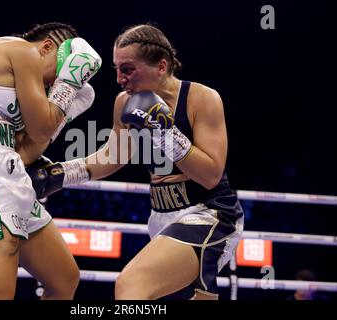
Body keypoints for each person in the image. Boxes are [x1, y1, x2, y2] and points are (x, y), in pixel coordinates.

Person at [26, 23, 244, 300]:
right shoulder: (124, 102)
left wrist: (164, 131)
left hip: (211, 214)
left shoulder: (202, 99)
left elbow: (211, 175)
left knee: (132, 286)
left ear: (162, 67)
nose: (119, 78)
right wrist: (62, 173)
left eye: (127, 69)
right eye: (116, 68)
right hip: (161, 216)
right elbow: (113, 156)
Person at [0, 22, 102, 299]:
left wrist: (62, 111)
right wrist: (70, 83)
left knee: (64, 280)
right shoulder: (21, 50)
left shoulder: (22, 87)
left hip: (6, 167)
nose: (52, 85)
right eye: (58, 71)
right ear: (47, 47)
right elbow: (42, 127)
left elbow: (26, 151)